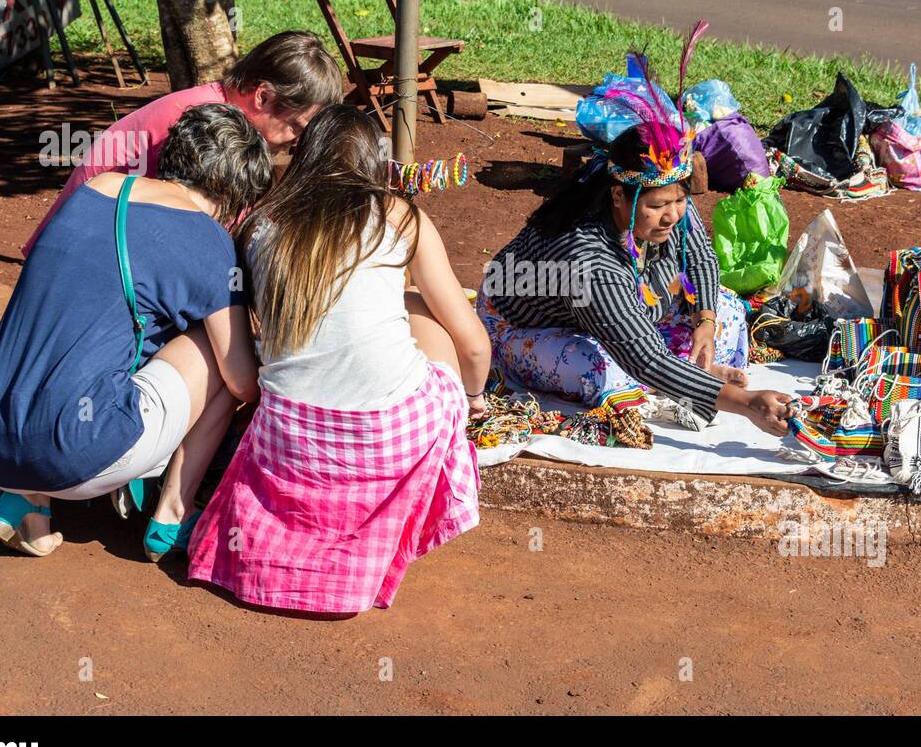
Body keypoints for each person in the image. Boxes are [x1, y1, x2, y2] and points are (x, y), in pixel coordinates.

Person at [188, 106, 490, 615]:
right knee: (427, 313)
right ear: (375, 160)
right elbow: (475, 346)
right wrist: (474, 398)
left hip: (289, 438)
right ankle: (450, 420)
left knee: (396, 309)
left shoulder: (262, 221)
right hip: (390, 440)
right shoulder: (399, 216)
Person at [0, 104, 272, 559]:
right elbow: (242, 380)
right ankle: (173, 516)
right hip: (77, 453)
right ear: (236, 192)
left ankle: (25, 505)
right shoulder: (209, 238)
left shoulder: (98, 189)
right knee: (220, 353)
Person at [477, 94, 791, 437]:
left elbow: (701, 257)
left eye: (680, 201)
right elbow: (644, 357)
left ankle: (686, 380)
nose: (672, 215)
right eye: (658, 206)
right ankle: (688, 381)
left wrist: (704, 320)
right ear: (617, 197)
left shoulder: (663, 186)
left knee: (726, 309)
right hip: (523, 328)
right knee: (600, 366)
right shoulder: (586, 258)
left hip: (626, 304)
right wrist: (746, 403)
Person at [22, 30, 342, 256]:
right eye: (296, 127)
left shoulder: (217, 112)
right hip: (90, 252)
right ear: (263, 96)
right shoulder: (203, 128)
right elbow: (191, 234)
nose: (297, 140)